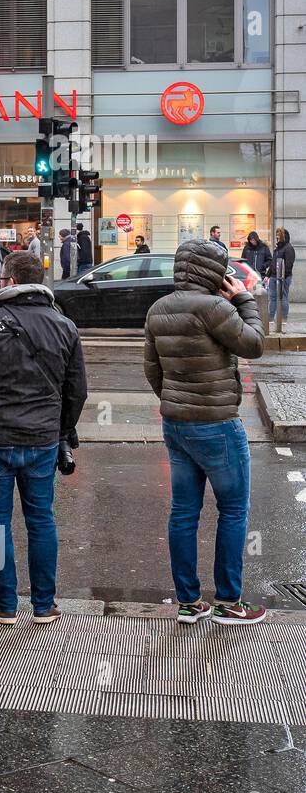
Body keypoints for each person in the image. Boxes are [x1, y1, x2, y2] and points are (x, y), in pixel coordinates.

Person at [0, 252, 87, 625]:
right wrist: (59, 428)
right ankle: (44, 605)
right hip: (42, 440)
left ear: (10, 281)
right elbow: (77, 391)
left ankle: (5, 604)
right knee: (41, 519)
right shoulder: (64, 325)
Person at [144, 240, 265, 625]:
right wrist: (244, 299)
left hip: (176, 424)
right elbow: (254, 344)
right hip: (217, 424)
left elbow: (152, 369)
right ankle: (229, 602)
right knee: (232, 511)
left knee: (183, 513)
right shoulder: (215, 307)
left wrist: (175, 400)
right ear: (214, 271)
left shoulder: (158, 309)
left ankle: (189, 602)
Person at [268, 228, 295, 322]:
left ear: (283, 236)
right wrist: (268, 275)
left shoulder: (288, 248)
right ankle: (271, 318)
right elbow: (273, 262)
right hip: (273, 276)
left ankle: (284, 318)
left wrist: (282, 277)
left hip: (284, 277)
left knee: (283, 297)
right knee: (272, 297)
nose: (277, 236)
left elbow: (289, 265)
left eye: (279, 235)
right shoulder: (278, 248)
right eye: (276, 234)